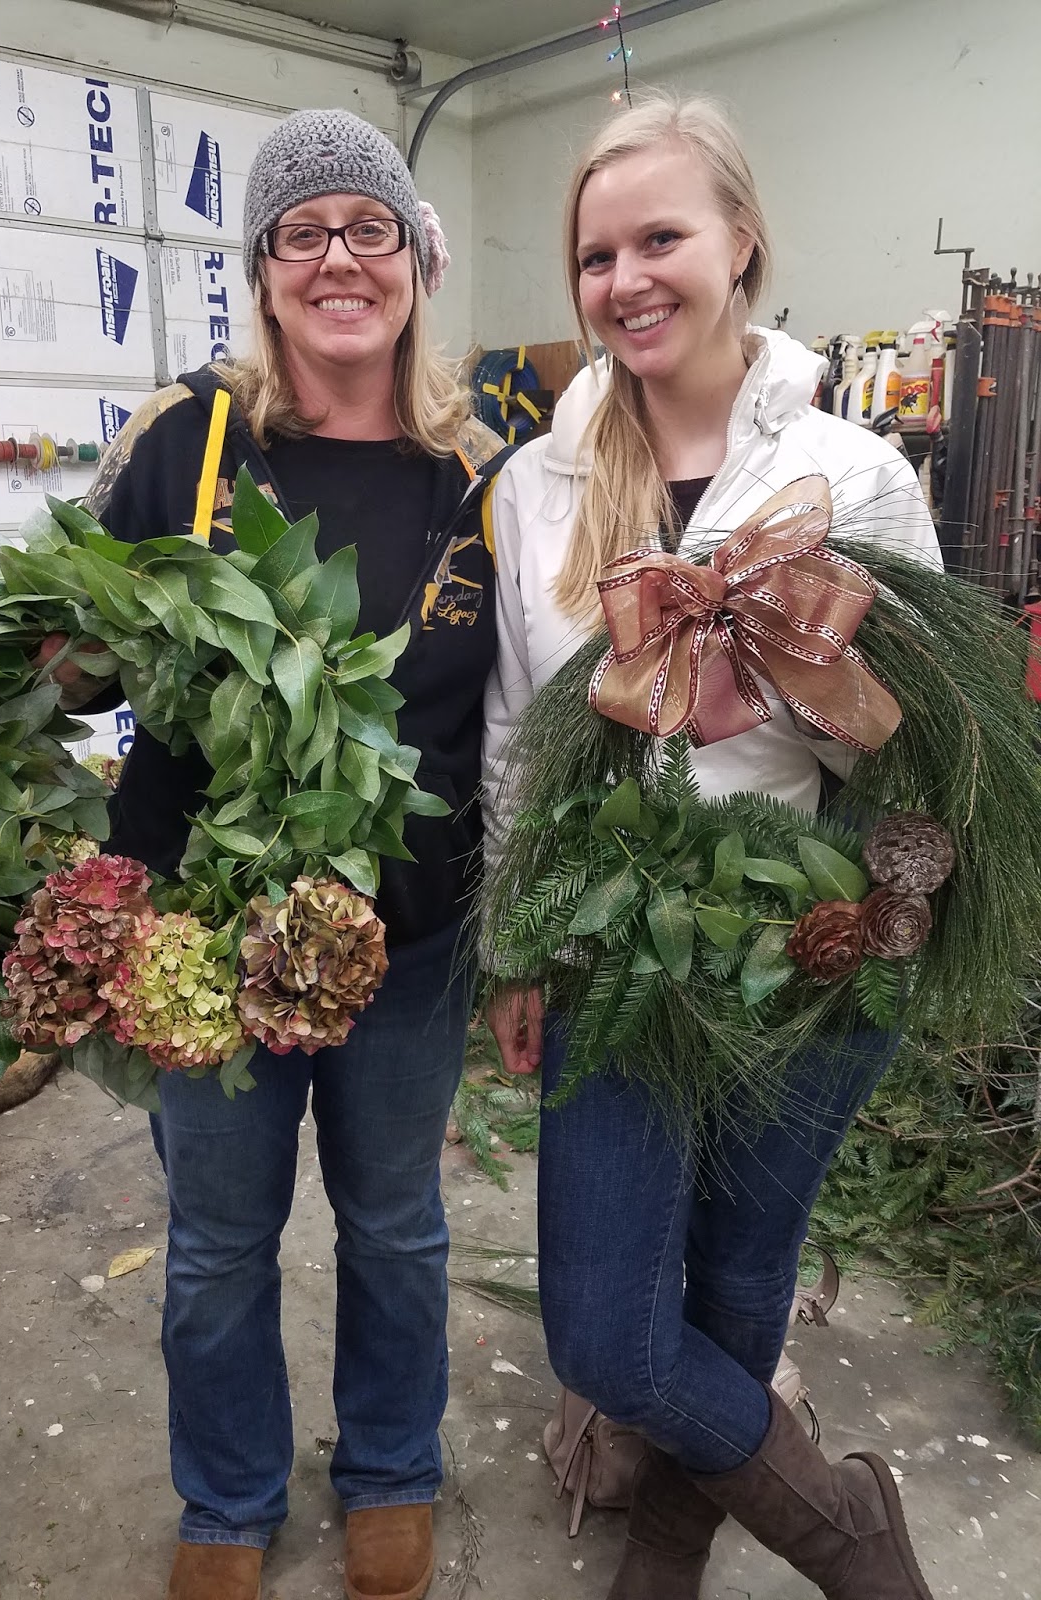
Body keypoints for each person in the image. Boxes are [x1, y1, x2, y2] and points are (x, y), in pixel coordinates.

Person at [482, 93, 941, 1600]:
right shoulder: (535, 488)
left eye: (660, 237)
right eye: (596, 253)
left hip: (802, 954)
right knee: (605, 1329)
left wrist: (885, 941)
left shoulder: (848, 480)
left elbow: (929, 752)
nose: (627, 280)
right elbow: (513, 740)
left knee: (743, 1276)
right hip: (620, 953)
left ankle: (677, 1527)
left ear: (741, 241)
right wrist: (512, 945)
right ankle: (843, 1524)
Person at [52, 109, 509, 1600]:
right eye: (301, 231)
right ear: (260, 267)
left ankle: (390, 1467)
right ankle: (229, 1499)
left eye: (365, 228)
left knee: (395, 1227)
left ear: (412, 263)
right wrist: (46, 658)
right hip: (203, 934)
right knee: (215, 1244)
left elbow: (516, 708)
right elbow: (92, 668)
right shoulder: (181, 445)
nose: (336, 259)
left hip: (410, 941)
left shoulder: (482, 480)